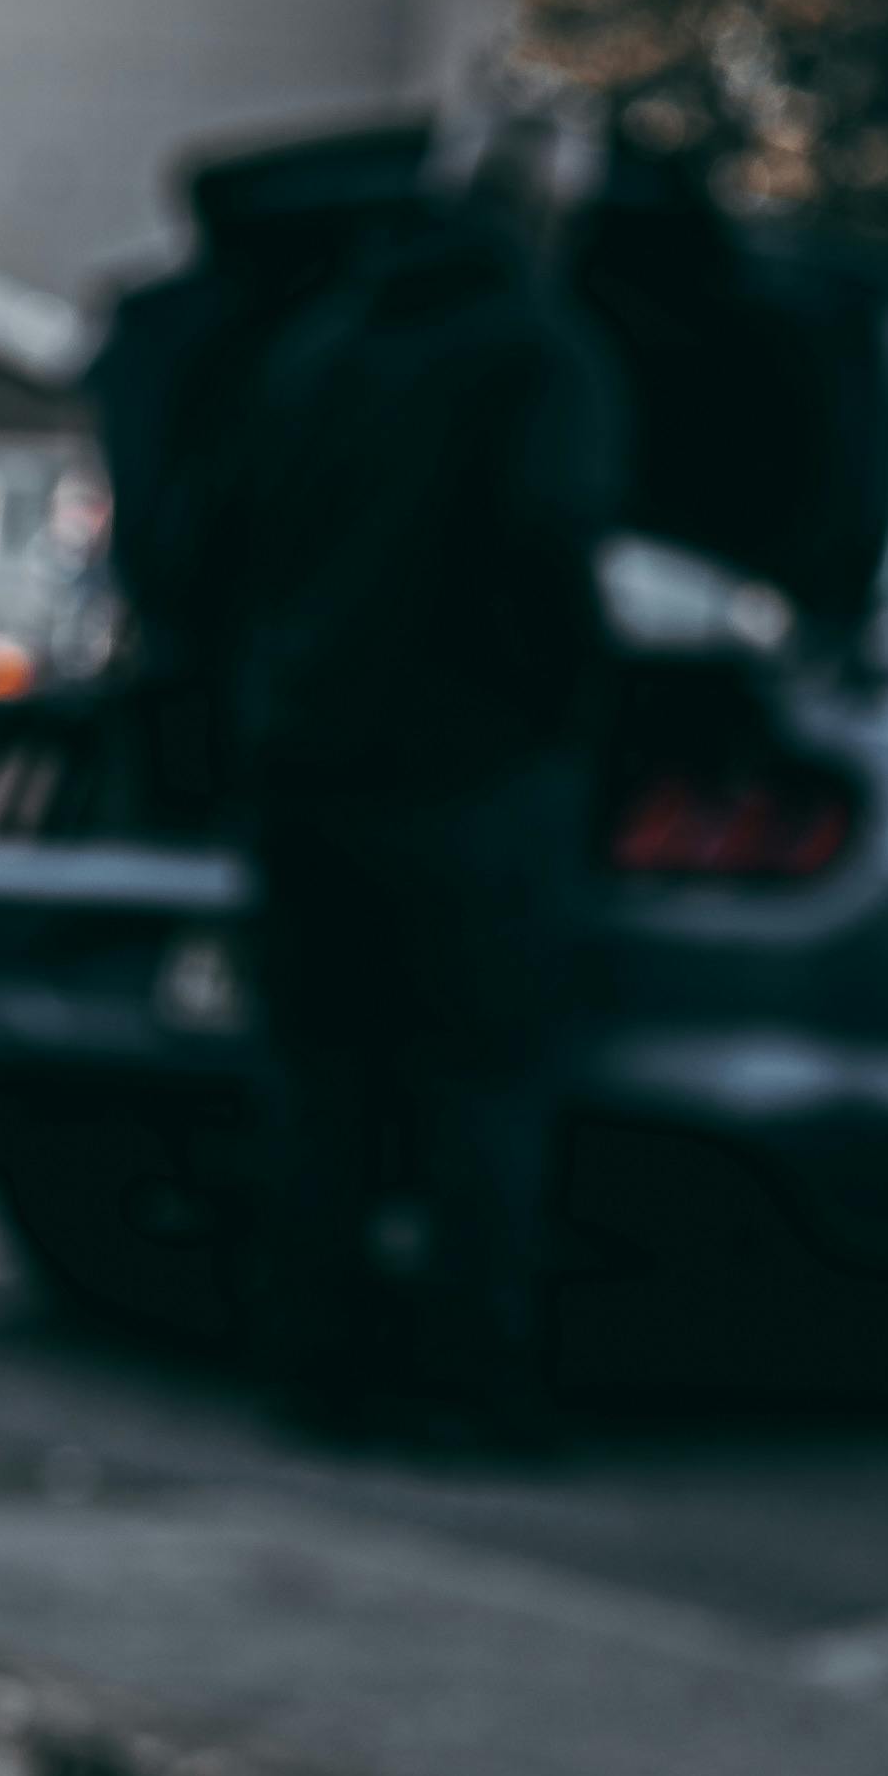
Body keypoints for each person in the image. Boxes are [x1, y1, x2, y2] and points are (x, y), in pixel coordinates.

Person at [216, 144, 628, 1450]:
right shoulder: (534, 351)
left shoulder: (317, 346)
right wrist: (569, 710)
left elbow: (225, 537)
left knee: (319, 1079)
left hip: (303, 764)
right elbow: (548, 545)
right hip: (472, 771)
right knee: (484, 1089)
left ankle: (315, 1367)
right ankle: (473, 1384)